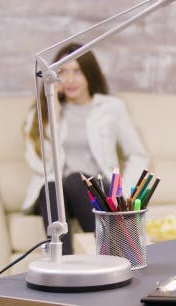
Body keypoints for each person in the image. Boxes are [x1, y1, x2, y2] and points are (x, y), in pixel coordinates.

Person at [22, 43, 148, 255]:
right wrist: (53, 115)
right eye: (62, 72)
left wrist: (123, 192)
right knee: (52, 186)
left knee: (75, 181)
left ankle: (112, 252)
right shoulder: (42, 113)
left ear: (89, 73)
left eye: (77, 71)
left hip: (94, 189)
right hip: (55, 194)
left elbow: (137, 154)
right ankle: (64, 267)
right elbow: (40, 164)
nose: (69, 80)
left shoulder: (111, 107)